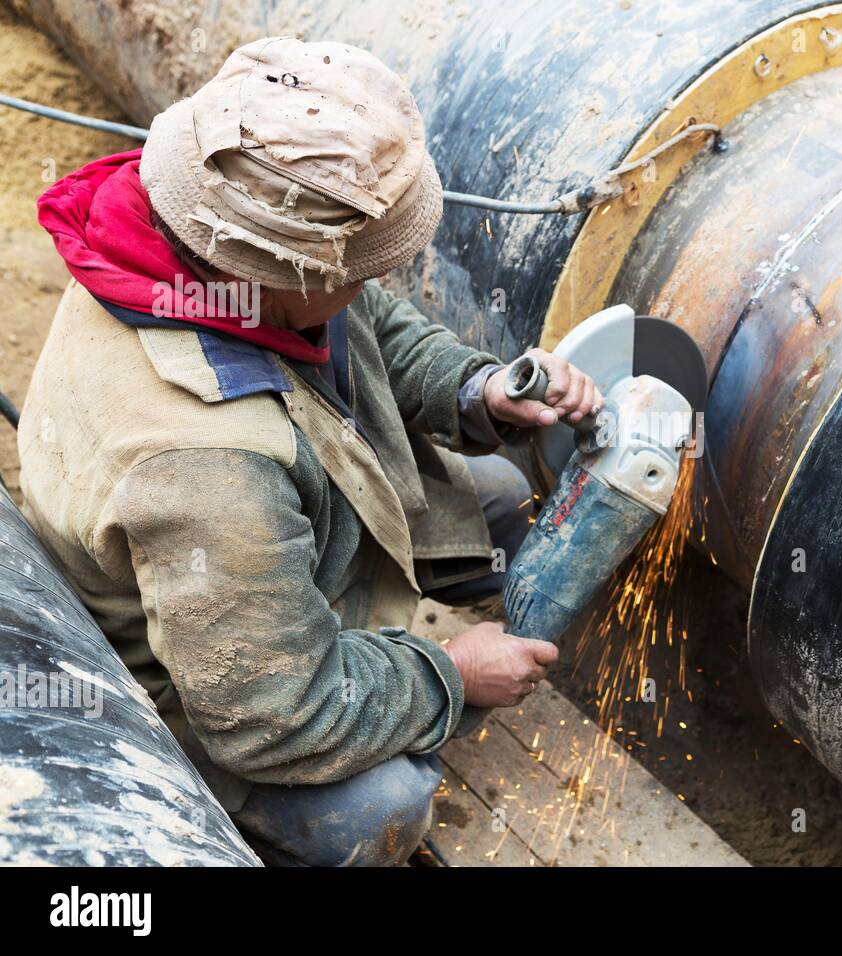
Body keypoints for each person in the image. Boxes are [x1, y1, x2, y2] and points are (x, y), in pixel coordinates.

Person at [20, 36, 601, 866]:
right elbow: (273, 712)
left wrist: (479, 390)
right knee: (382, 807)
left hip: (268, 544)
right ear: (281, 276)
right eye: (363, 268)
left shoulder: (198, 243)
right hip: (200, 678)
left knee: (500, 493)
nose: (373, 281)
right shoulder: (205, 467)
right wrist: (449, 675)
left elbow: (363, 327)